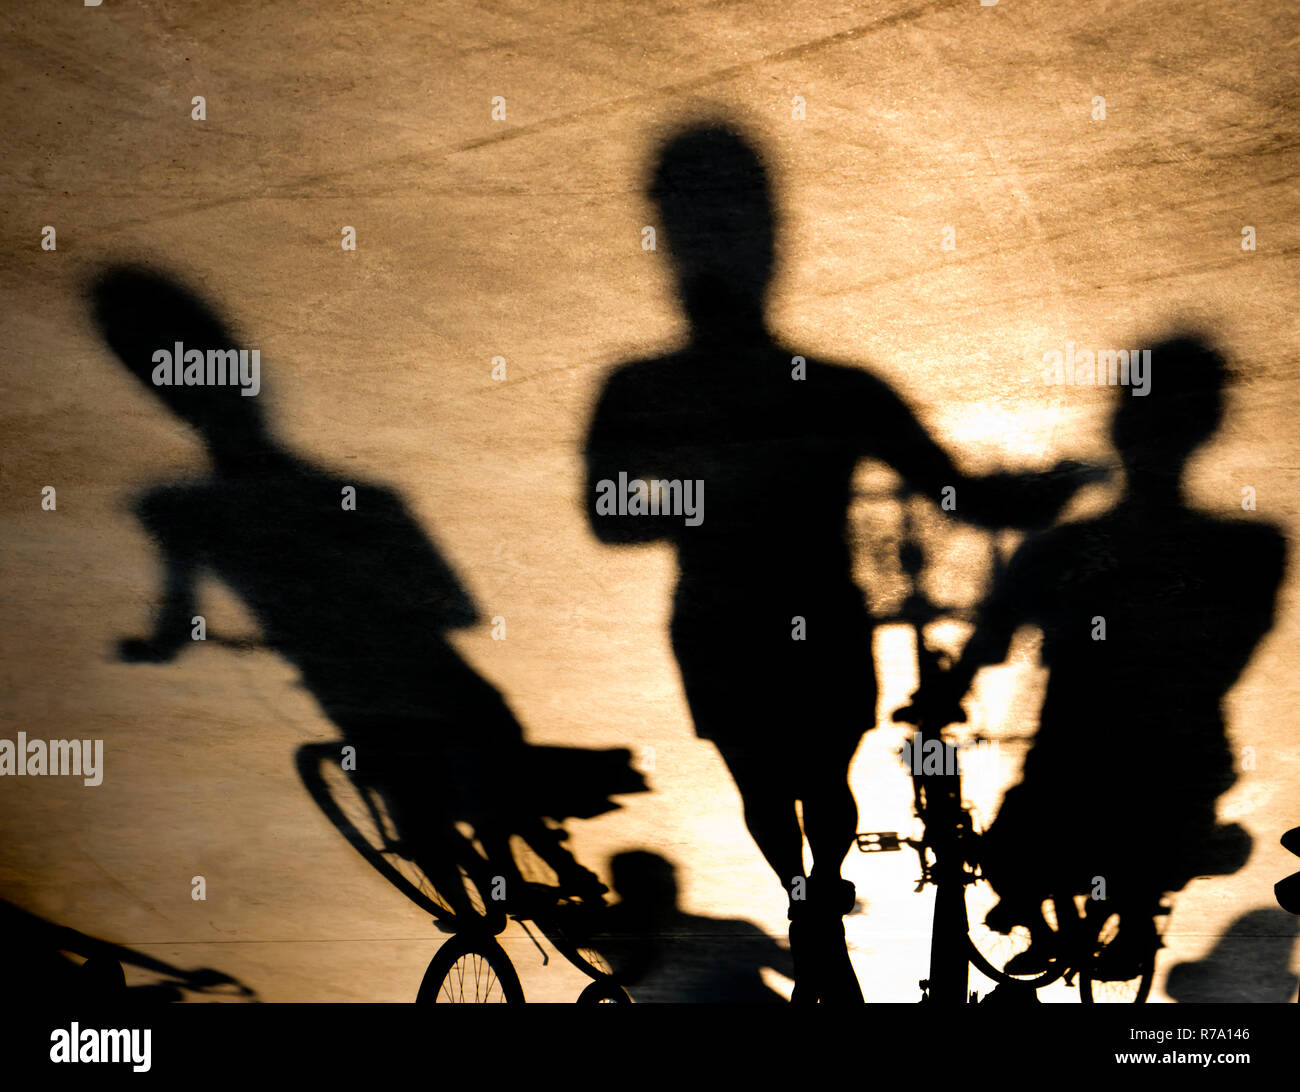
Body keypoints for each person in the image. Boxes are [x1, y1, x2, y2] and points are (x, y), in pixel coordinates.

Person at [583, 123, 1101, 1001]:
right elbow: (957, 494)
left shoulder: (644, 391)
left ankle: (809, 893)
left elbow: (610, 514)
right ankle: (816, 889)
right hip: (810, 617)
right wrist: (1043, 494)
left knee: (773, 775)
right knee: (815, 774)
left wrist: (699, 497)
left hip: (721, 622)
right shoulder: (832, 388)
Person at [94, 265, 629, 910]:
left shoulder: (178, 511)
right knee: (486, 763)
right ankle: (525, 871)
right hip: (435, 684)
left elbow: (173, 627)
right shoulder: (366, 503)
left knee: (409, 792)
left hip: (354, 698)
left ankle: (469, 913)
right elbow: (457, 607)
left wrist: (156, 647)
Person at [907, 335, 1286, 975]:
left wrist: (943, 695)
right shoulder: (1250, 547)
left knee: (1009, 848)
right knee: (1153, 830)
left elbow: (992, 638)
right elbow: (1231, 652)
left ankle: (1046, 920)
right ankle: (1137, 918)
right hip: (1178, 750)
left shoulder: (1062, 549)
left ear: (1117, 428)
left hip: (1078, 750)